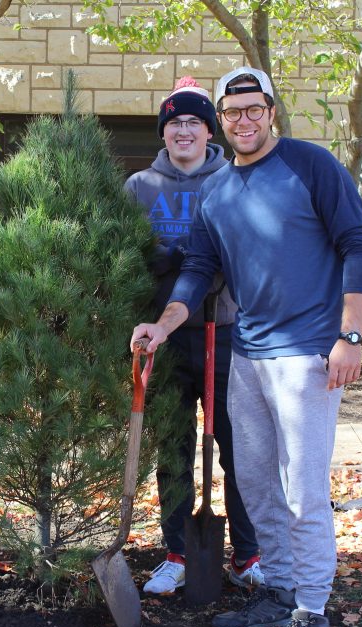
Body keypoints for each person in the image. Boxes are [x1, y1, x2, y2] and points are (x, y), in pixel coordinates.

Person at [130, 67, 362, 627]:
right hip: (247, 353)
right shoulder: (219, 193)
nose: (244, 119)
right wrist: (163, 326)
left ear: (271, 110)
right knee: (258, 482)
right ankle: (280, 591)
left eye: (254, 108)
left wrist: (350, 335)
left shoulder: (310, 165)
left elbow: (357, 245)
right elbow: (196, 269)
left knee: (304, 491)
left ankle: (312, 616)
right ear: (223, 119)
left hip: (308, 355)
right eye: (233, 111)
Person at [124, 77, 262, 596]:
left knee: (238, 447)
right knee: (174, 448)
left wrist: (218, 269)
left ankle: (248, 555)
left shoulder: (234, 180)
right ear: (164, 134)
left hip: (224, 331)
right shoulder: (140, 188)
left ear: (210, 131)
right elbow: (123, 259)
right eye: (174, 124)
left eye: (194, 123)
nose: (184, 131)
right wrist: (154, 267)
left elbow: (254, 248)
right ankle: (178, 552)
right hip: (166, 336)